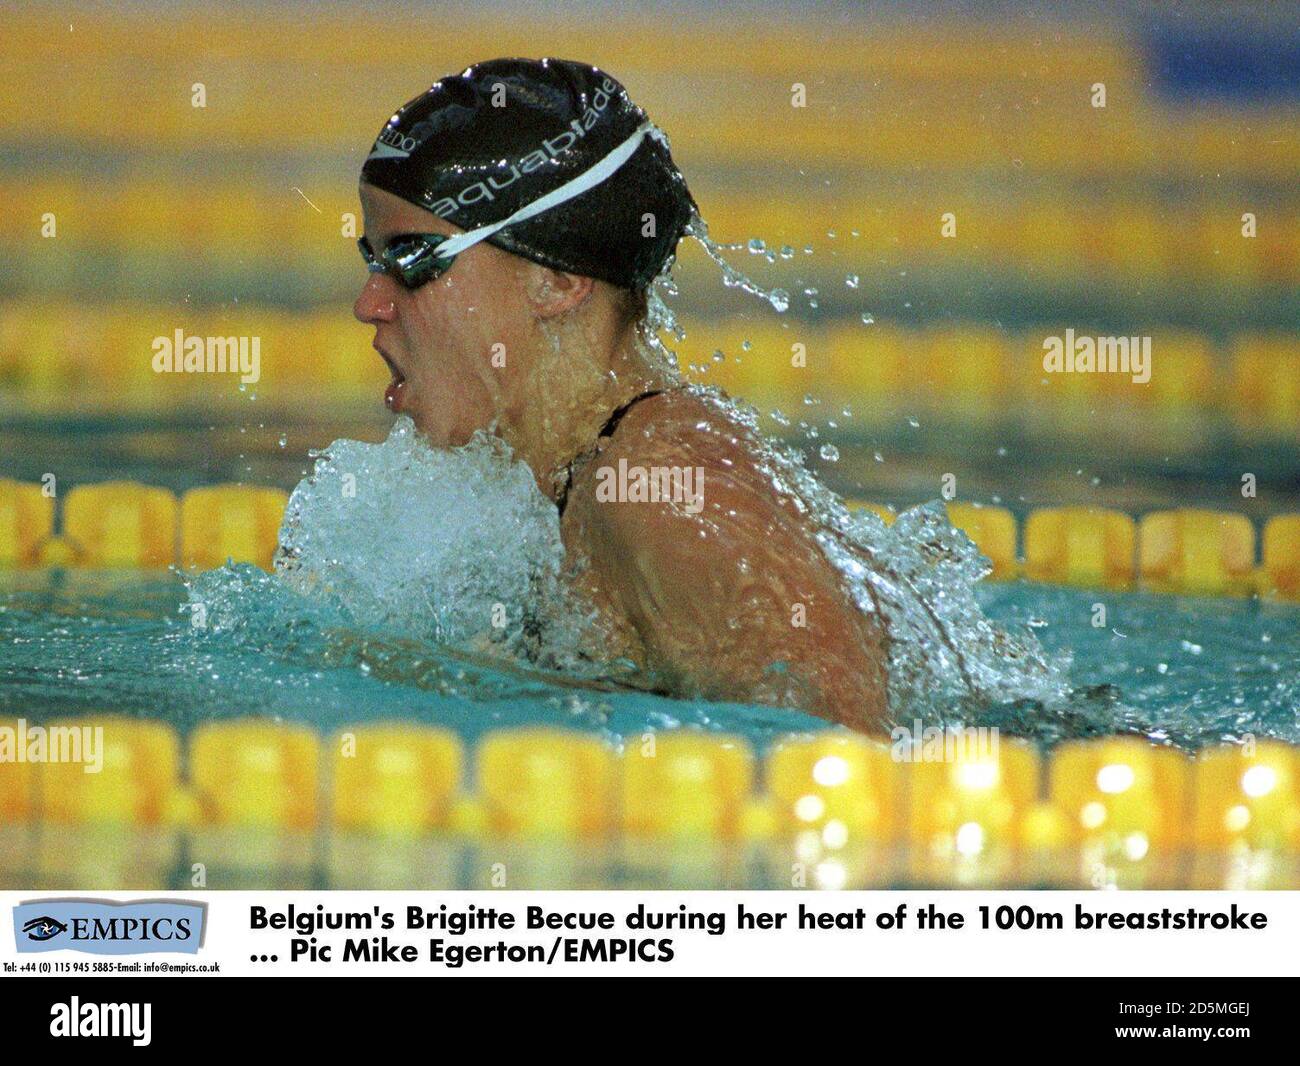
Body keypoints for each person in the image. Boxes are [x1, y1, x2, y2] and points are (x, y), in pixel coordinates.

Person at [354, 58, 889, 730]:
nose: (370, 302)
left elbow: (852, 762)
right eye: (370, 260)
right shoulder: (566, 475)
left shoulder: (659, 492)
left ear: (555, 279)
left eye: (410, 258)